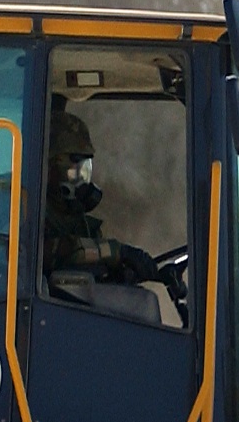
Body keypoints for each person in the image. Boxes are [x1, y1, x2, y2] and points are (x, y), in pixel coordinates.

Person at [42, 104, 164, 290]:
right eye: (74, 168)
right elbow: (42, 253)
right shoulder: (17, 203)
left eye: (85, 169)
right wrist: (117, 252)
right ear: (49, 167)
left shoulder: (79, 222)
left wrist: (120, 273)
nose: (81, 179)